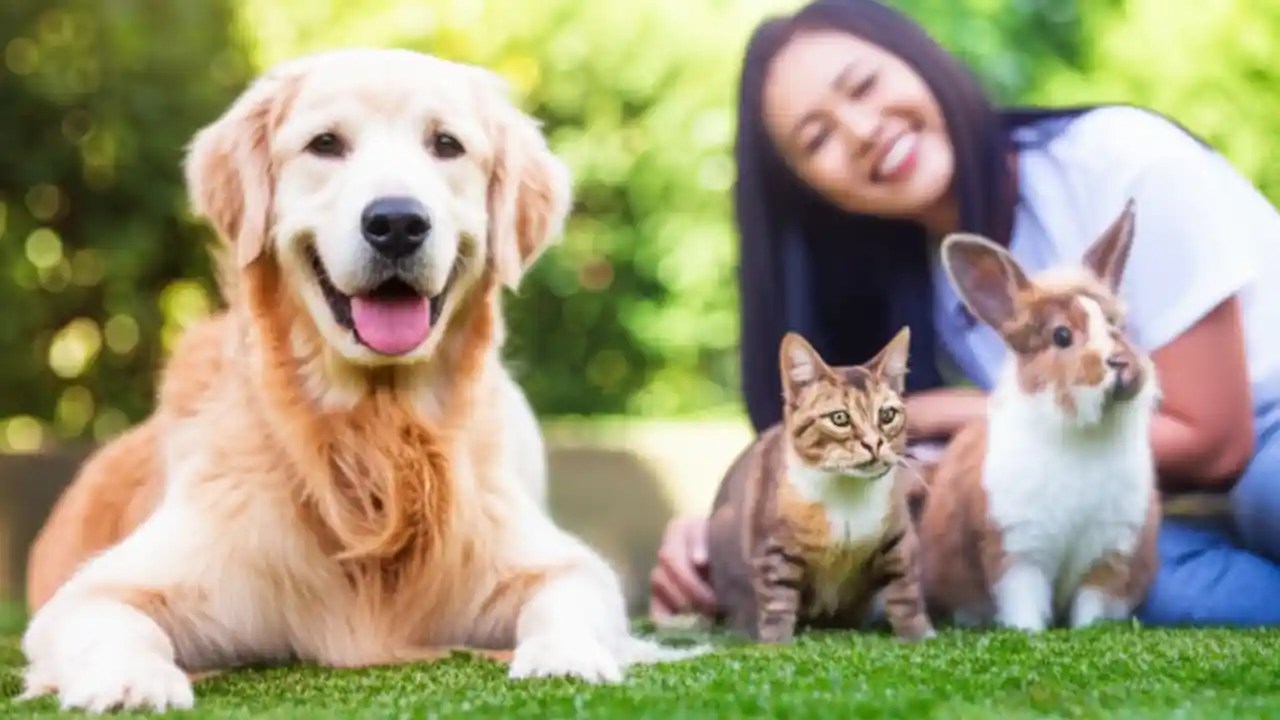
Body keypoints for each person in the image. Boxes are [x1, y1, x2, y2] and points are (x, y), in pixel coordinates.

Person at [649, 0, 1280, 627]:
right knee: (1160, 587)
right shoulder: (918, 287)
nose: (862, 130)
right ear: (810, 193)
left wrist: (953, 411)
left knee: (1265, 495)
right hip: (1148, 498)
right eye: (818, 139)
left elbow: (1216, 442)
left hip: (1261, 435)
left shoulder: (1116, 160)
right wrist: (727, 525)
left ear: (922, 61)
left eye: (864, 85)